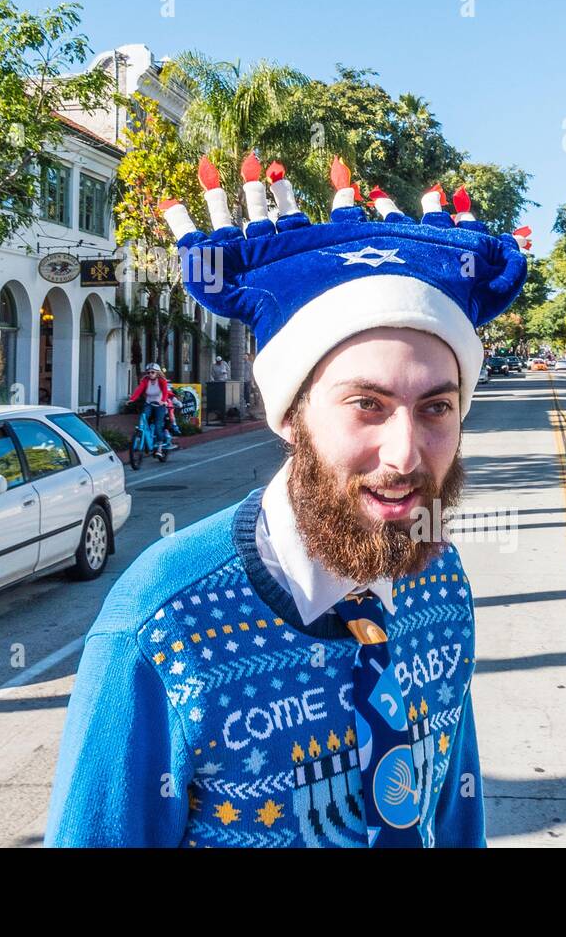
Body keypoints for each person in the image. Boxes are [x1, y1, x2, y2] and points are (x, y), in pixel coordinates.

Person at [45, 155, 530, 848]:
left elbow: (452, 820)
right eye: (367, 404)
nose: (404, 454)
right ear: (290, 414)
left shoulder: (440, 583)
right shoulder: (164, 620)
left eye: (437, 408)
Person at [128, 363, 173, 452]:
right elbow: (139, 390)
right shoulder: (145, 381)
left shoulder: (161, 381)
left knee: (158, 425)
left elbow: (165, 392)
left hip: (160, 404)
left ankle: (160, 447)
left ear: (157, 373)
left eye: (152, 372)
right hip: (149, 403)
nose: (150, 374)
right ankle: (142, 437)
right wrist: (132, 399)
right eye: (148, 372)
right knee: (143, 418)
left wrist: (163, 401)